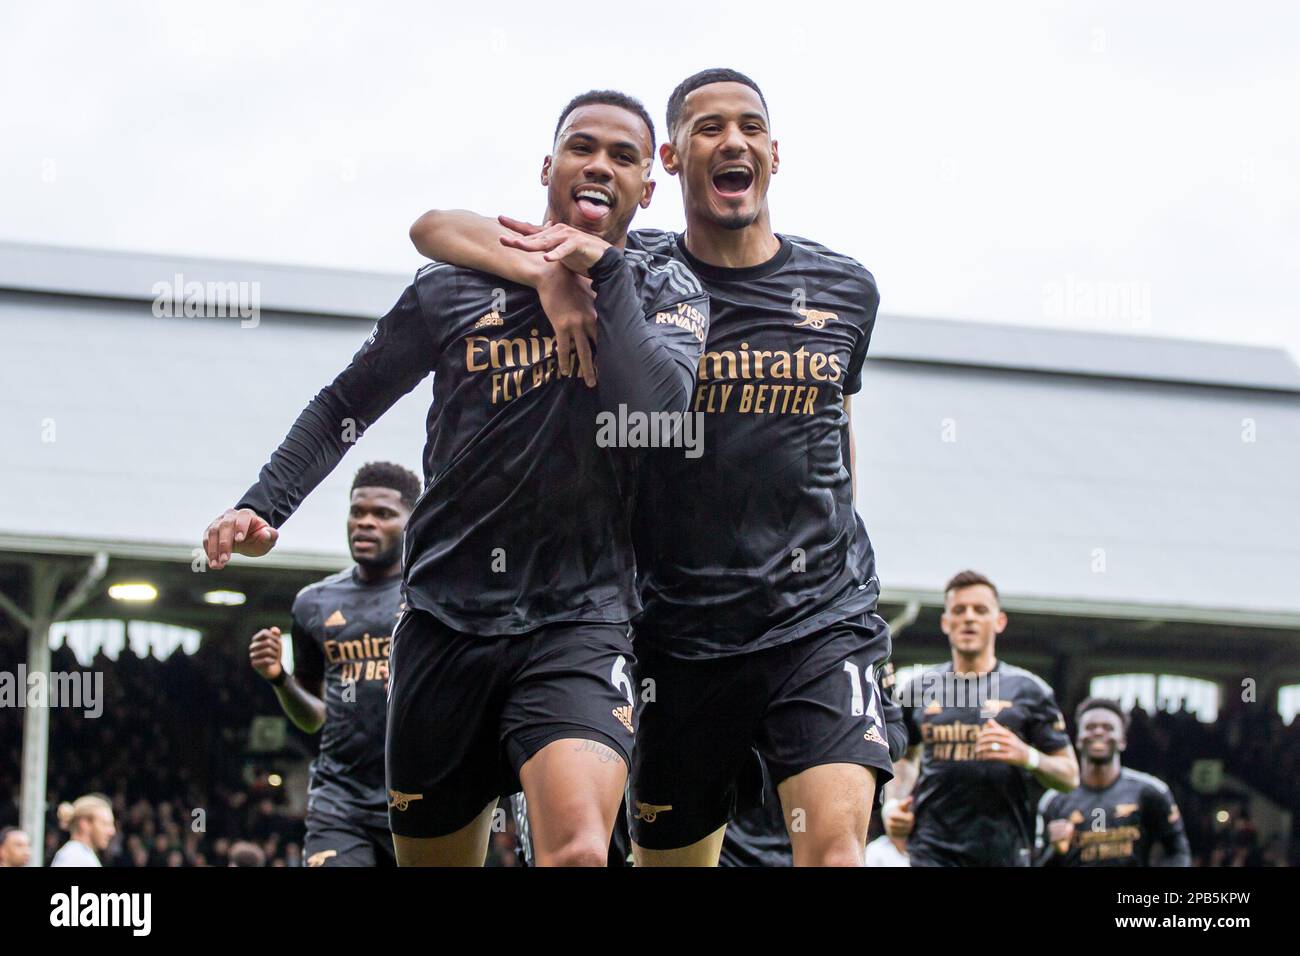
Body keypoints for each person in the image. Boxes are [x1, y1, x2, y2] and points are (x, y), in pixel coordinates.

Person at [202, 89, 707, 867]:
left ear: (650, 184)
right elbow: (348, 401)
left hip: (578, 618)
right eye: (581, 146)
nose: (599, 164)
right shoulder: (453, 288)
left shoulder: (665, 289)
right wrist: (262, 502)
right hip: (443, 619)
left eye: (624, 156)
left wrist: (594, 275)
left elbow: (661, 414)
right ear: (549, 164)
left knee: (576, 848)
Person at [410, 68, 889, 867]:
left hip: (819, 620)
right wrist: (548, 272)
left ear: (775, 153)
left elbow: (839, 425)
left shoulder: (844, 289)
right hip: (677, 633)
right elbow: (436, 229)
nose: (731, 142)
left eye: (748, 127)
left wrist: (839, 542)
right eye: (707, 129)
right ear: (667, 160)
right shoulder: (635, 270)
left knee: (835, 852)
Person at [248, 461, 417, 867]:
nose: (365, 523)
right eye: (357, 512)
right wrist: (279, 679)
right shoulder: (313, 604)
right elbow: (313, 718)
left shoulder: (434, 596)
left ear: (414, 521)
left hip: (421, 800)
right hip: (339, 803)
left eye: (383, 514)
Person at [884, 570, 1080, 866]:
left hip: (1004, 853)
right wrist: (893, 805)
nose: (969, 618)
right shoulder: (919, 688)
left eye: (980, 610)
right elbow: (904, 757)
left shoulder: (1030, 690)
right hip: (932, 852)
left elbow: (1069, 777)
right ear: (946, 622)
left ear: (999, 621)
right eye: (959, 610)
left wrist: (1027, 756)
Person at [1037, 697, 1190, 866]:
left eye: (1108, 728)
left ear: (1122, 740)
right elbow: (1035, 862)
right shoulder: (1054, 800)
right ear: (1078, 739)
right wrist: (1055, 850)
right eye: (1090, 727)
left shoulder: (1151, 792)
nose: (1098, 732)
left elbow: (1178, 852)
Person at [50, 794, 116, 867]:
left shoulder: (79, 855)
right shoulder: (75, 857)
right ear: (85, 823)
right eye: (105, 824)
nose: (112, 831)